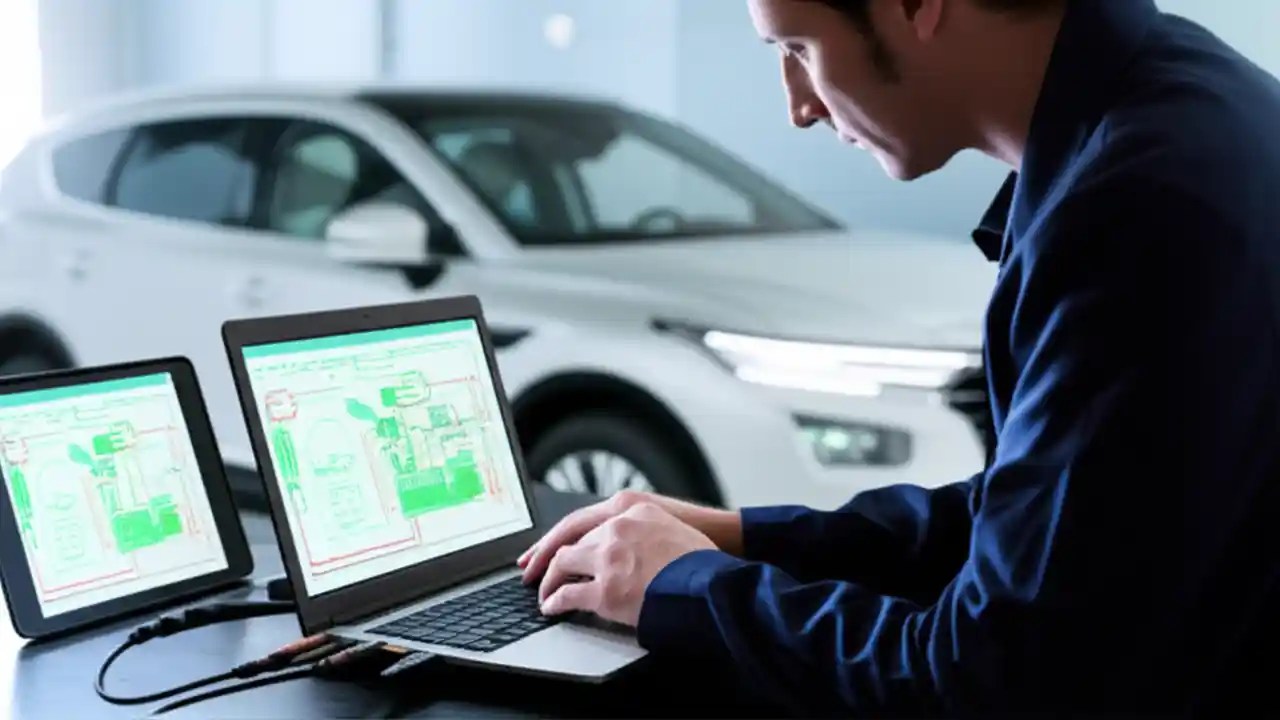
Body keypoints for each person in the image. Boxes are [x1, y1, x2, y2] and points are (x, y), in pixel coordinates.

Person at [518, 0, 1280, 715]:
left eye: (799, 47)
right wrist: (742, 536)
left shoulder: (1130, 204)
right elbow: (1044, 521)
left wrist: (683, 585)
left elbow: (989, 673)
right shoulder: (1184, 103)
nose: (800, 104)